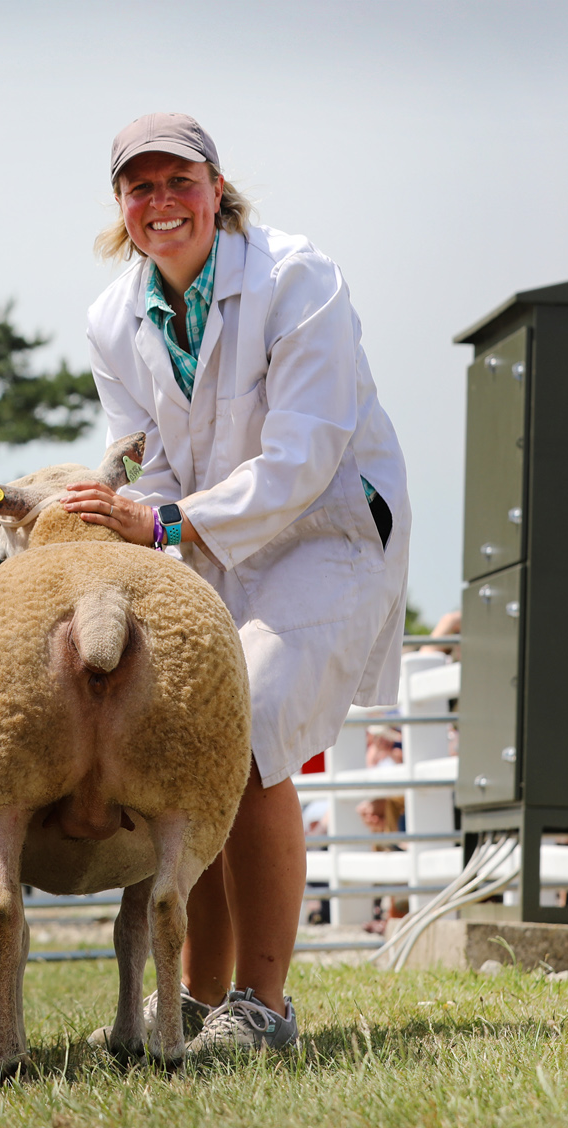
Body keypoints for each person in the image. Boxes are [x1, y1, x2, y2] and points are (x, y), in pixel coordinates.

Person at [64, 113, 409, 1055]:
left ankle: (265, 1004)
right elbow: (152, 463)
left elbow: (305, 453)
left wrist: (168, 522)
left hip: (328, 530)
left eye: (180, 181)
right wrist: (134, 512)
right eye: (141, 188)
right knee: (196, 748)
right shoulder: (113, 318)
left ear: (218, 188)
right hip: (219, 548)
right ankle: (191, 998)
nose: (161, 202)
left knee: (247, 731)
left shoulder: (299, 279)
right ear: (122, 207)